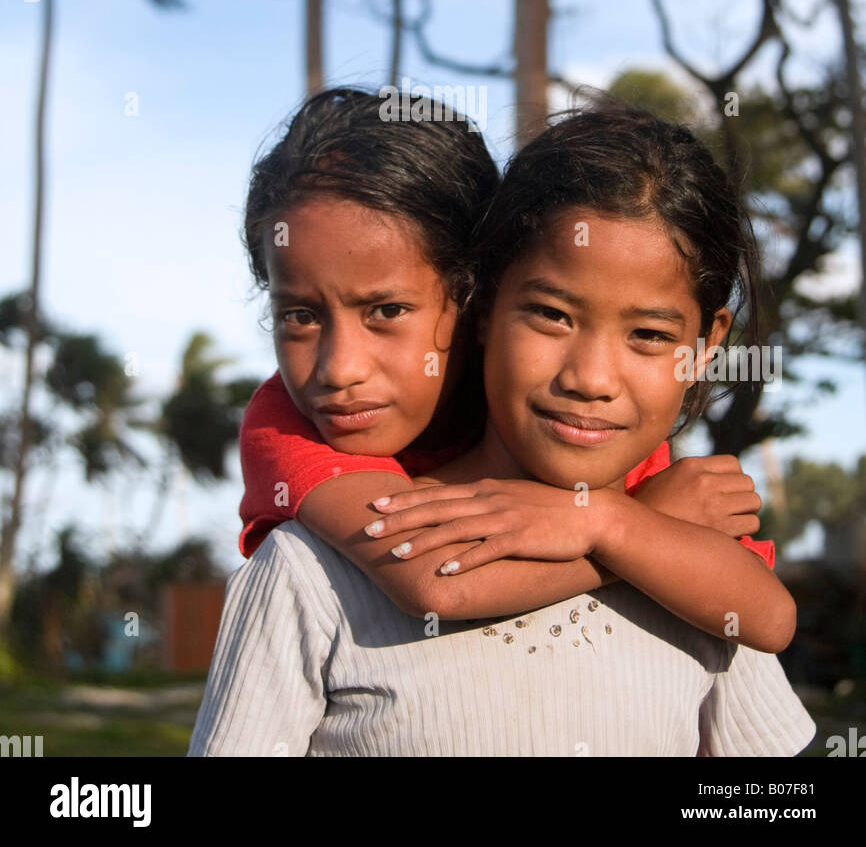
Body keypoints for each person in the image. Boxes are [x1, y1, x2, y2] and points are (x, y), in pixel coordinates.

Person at [189, 97, 814, 756]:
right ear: (485, 301)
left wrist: (616, 523)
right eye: (550, 314)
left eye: (649, 334)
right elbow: (432, 577)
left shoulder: (684, 562)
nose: (591, 379)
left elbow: (769, 621)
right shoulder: (307, 564)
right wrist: (612, 525)